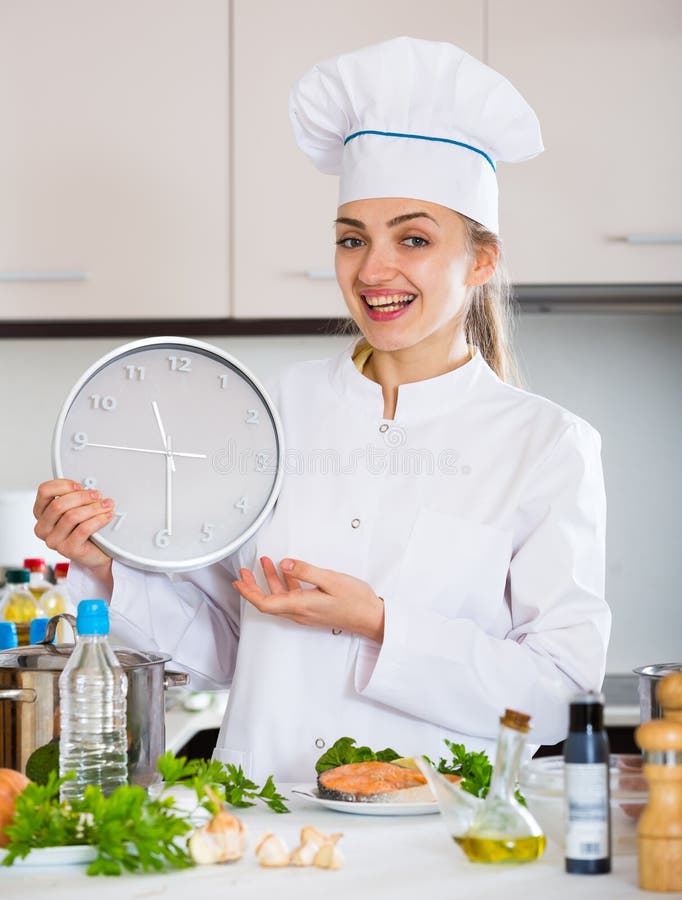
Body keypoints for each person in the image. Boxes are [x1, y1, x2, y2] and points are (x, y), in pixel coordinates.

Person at [34, 37, 609, 783]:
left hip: (438, 827)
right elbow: (227, 647)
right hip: (262, 817)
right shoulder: (266, 411)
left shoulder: (546, 444)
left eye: (413, 238)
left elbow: (562, 695)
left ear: (482, 259)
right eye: (351, 239)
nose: (373, 270)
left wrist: (378, 623)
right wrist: (105, 566)